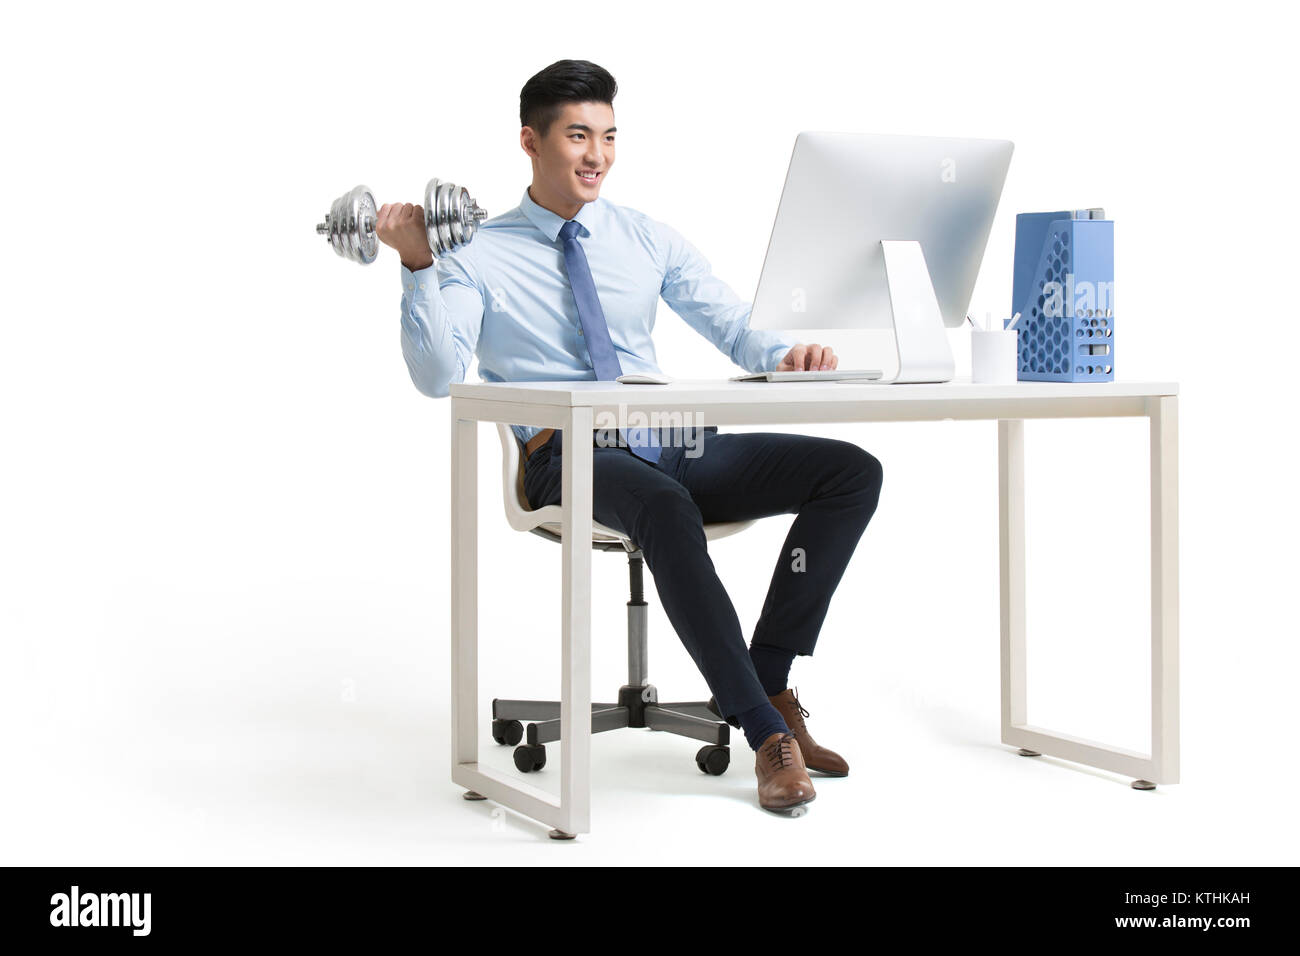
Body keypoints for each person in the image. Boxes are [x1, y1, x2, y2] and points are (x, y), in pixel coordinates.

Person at [376, 59, 883, 814]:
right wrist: (419, 263)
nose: (597, 156)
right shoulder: (476, 251)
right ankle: (763, 734)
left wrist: (785, 355)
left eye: (608, 136)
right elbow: (438, 374)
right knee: (667, 508)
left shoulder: (643, 236)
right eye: (578, 136)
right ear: (530, 141)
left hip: (672, 437)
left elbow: (731, 323)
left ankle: (769, 676)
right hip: (567, 457)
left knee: (849, 472)